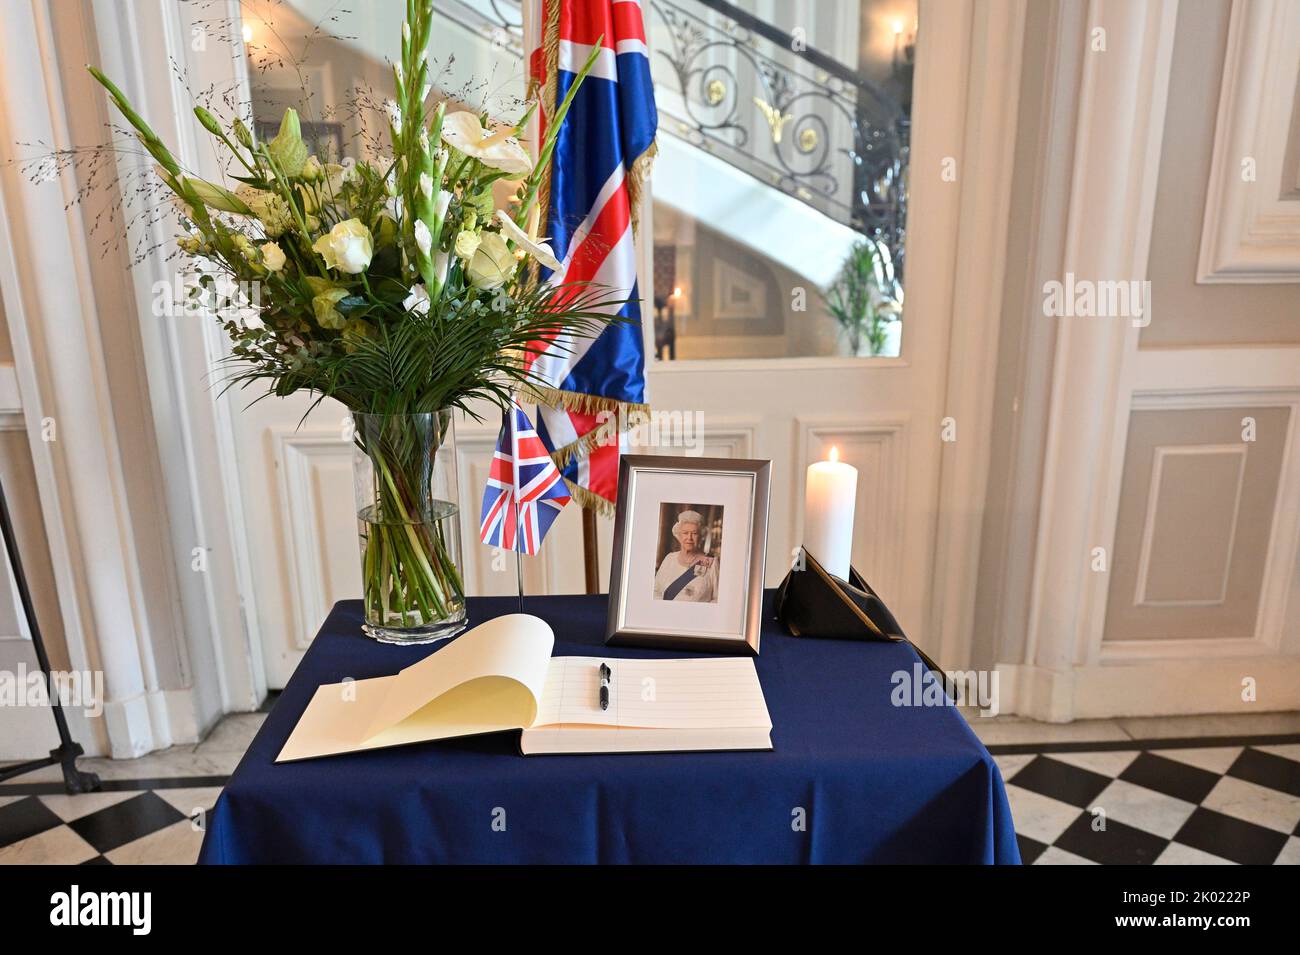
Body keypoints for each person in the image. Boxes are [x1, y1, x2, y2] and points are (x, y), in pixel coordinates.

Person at [653, 509, 719, 602]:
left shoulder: (712, 563)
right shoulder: (669, 558)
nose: (689, 538)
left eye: (694, 533)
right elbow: (656, 591)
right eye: (685, 533)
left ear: (701, 536)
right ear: (679, 536)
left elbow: (717, 599)